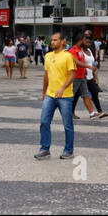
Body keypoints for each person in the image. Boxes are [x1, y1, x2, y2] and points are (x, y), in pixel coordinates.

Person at [35, 32, 77, 160]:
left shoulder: (68, 56)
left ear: (63, 41)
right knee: (44, 121)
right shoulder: (47, 56)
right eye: (51, 40)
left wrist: (62, 88)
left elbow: (72, 75)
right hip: (50, 95)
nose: (52, 42)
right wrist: (44, 91)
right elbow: (46, 75)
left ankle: (69, 150)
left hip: (65, 96)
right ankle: (45, 149)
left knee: (67, 124)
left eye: (55, 40)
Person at [73, 33, 108, 120]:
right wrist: (87, 68)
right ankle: (71, 112)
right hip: (81, 77)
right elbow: (77, 62)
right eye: (86, 42)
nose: (88, 43)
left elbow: (93, 63)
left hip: (89, 76)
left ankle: (98, 112)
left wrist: (95, 75)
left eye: (89, 43)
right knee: (76, 96)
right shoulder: (78, 51)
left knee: (94, 93)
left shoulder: (89, 51)